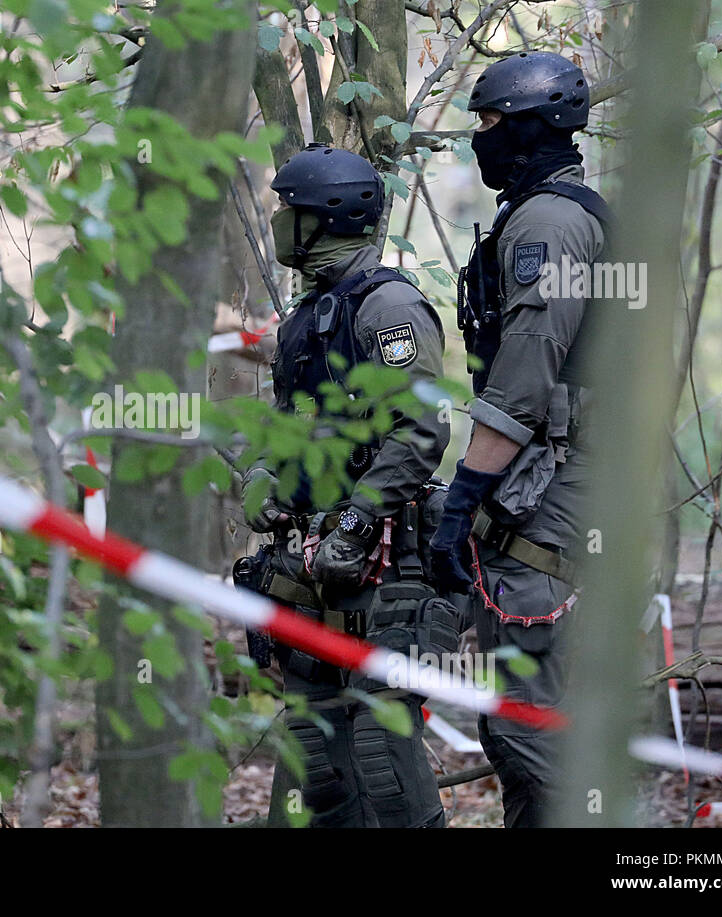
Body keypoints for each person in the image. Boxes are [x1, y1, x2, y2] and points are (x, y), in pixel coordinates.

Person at [238, 143, 457, 828]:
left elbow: (419, 431)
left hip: (385, 568)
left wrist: (358, 521)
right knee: (315, 751)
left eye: (287, 209)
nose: (277, 221)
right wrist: (265, 478)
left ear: (324, 217)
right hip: (311, 570)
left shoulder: (386, 306)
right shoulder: (309, 314)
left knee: (381, 744)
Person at [429, 51, 612, 828]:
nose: (483, 137)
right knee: (521, 730)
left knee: (522, 718)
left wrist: (463, 495)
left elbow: (525, 377)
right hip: (551, 486)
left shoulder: (548, 221)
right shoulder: (549, 211)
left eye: (494, 122)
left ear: (536, 129)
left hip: (553, 498)